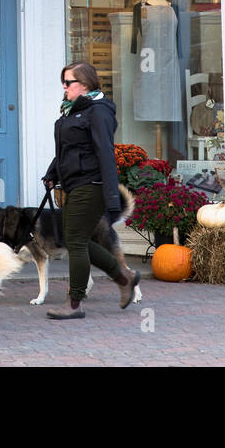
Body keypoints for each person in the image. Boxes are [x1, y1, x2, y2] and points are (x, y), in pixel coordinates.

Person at [42, 62, 142, 320]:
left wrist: (110, 196)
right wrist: (52, 173)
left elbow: (105, 153)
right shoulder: (73, 110)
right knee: (77, 239)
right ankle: (124, 278)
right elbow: (67, 149)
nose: (64, 87)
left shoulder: (98, 111)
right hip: (75, 184)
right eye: (63, 82)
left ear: (84, 84)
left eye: (68, 82)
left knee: (74, 240)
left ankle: (74, 303)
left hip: (92, 185)